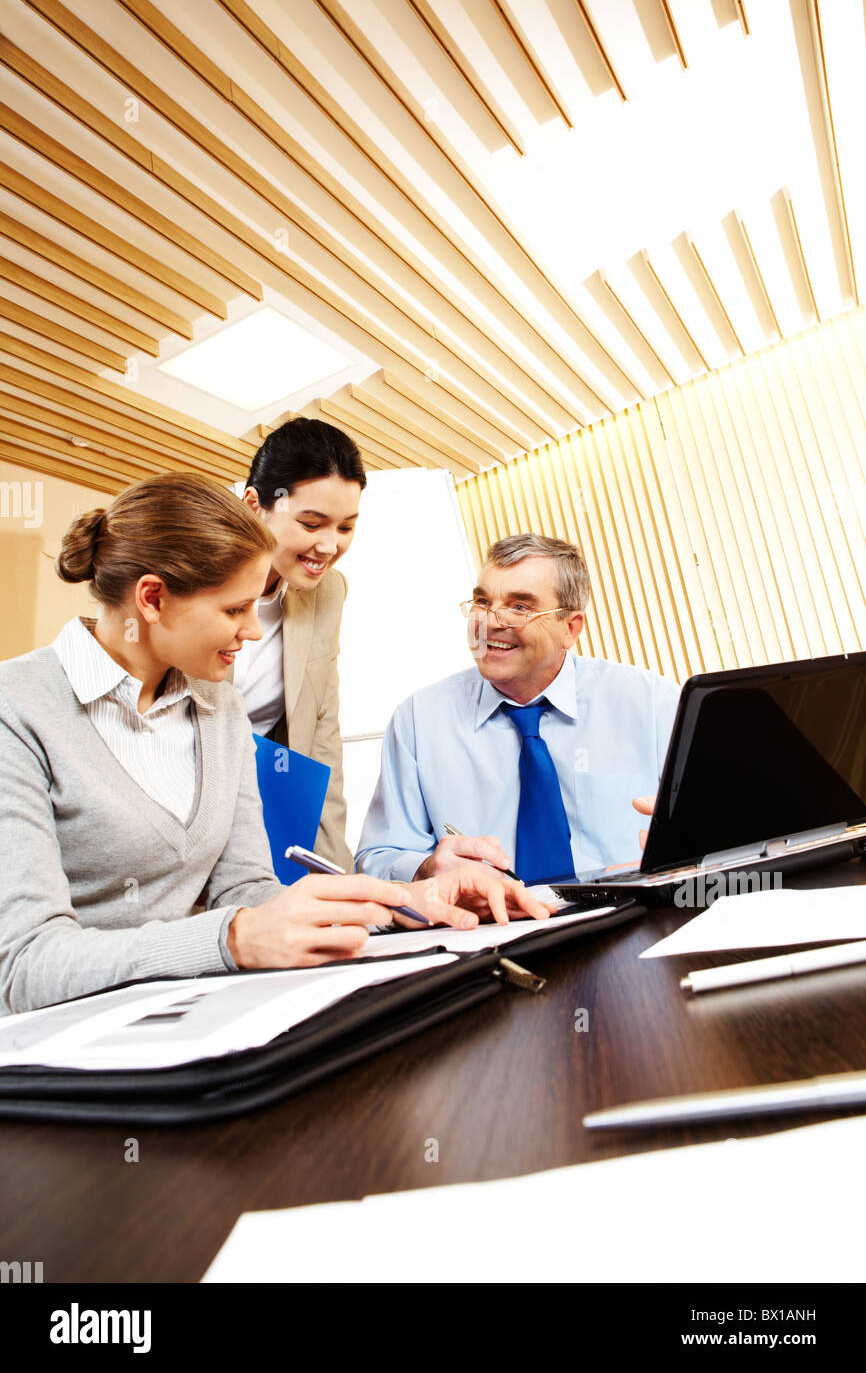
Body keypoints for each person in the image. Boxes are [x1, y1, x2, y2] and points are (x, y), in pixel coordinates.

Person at [0, 477, 549, 1016]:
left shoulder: (219, 705)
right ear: (152, 598)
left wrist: (404, 902)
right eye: (234, 610)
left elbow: (243, 890)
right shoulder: (17, 710)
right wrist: (233, 940)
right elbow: (23, 967)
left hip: (183, 1019)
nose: (253, 631)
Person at [356, 534, 680, 884]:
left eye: (520, 607)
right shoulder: (418, 720)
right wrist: (427, 870)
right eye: (482, 602)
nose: (491, 621)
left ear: (570, 629)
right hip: (491, 929)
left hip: (632, 914)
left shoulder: (652, 702)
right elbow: (378, 856)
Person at [235, 417, 364, 872]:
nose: (329, 546)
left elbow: (320, 742)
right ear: (254, 505)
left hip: (257, 806)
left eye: (346, 527)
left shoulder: (328, 593)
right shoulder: (188, 579)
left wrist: (338, 877)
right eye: (311, 523)